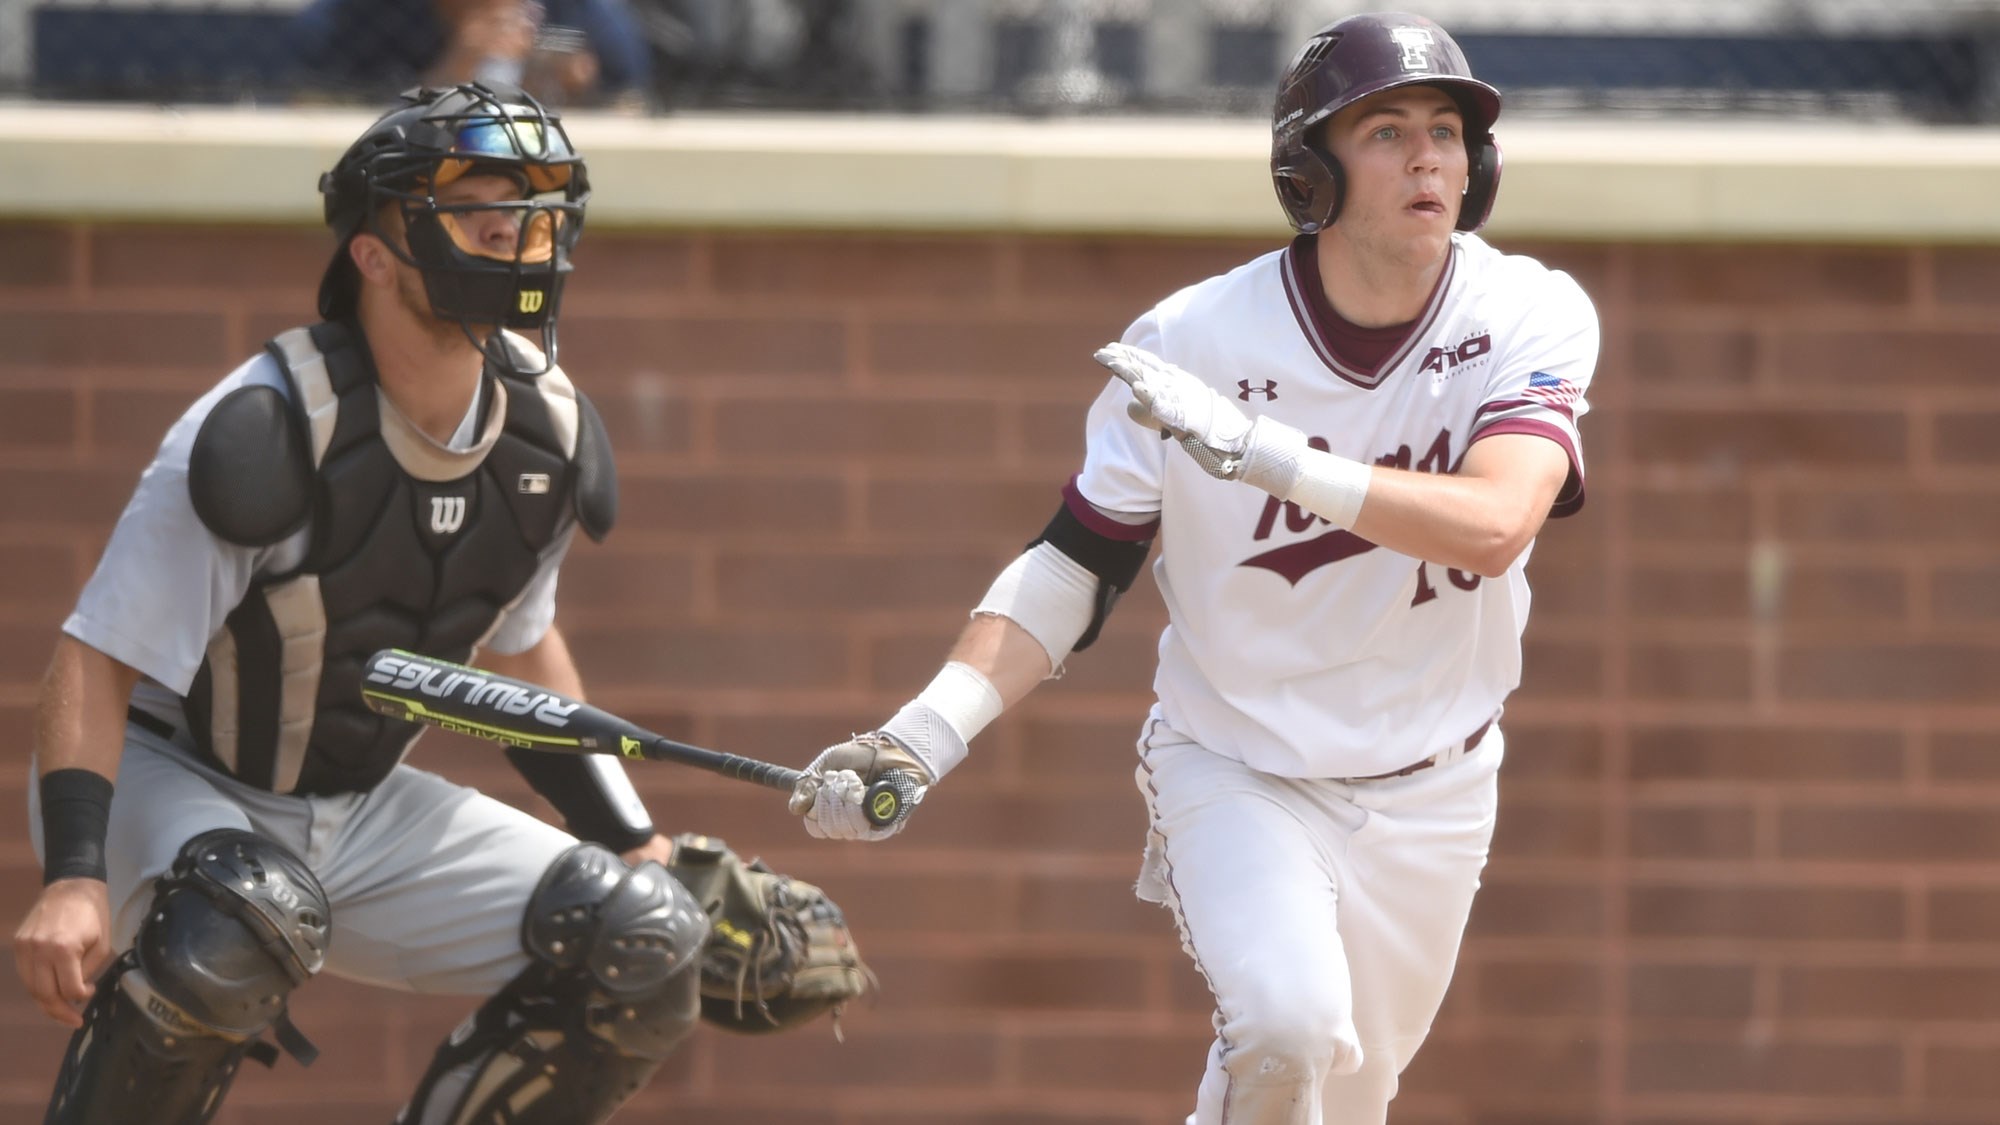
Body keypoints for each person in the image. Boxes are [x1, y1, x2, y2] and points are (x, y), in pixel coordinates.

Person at [789, 12, 1596, 1125]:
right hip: (1239, 762)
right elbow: (1075, 565)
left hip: (1436, 778)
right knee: (1285, 1026)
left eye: (1447, 132)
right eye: (1384, 131)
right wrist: (921, 737)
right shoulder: (1192, 339)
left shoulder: (1527, 310)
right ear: (1309, 169)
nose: (1426, 158)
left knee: (1339, 1097)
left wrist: (1269, 458)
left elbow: (1496, 522)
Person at [13, 83, 704, 1124]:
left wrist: (634, 839)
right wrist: (73, 876)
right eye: (485, 220)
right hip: (172, 772)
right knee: (231, 926)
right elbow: (94, 656)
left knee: (641, 939)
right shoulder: (266, 424)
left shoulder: (547, 432)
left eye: (534, 222)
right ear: (375, 254)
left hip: (359, 801)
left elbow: (523, 652)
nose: (518, 247)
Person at [291, 0, 655, 107]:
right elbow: (314, 119)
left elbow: (631, 107)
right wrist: (446, 79)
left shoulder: (582, 13)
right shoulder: (351, 20)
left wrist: (576, 94)